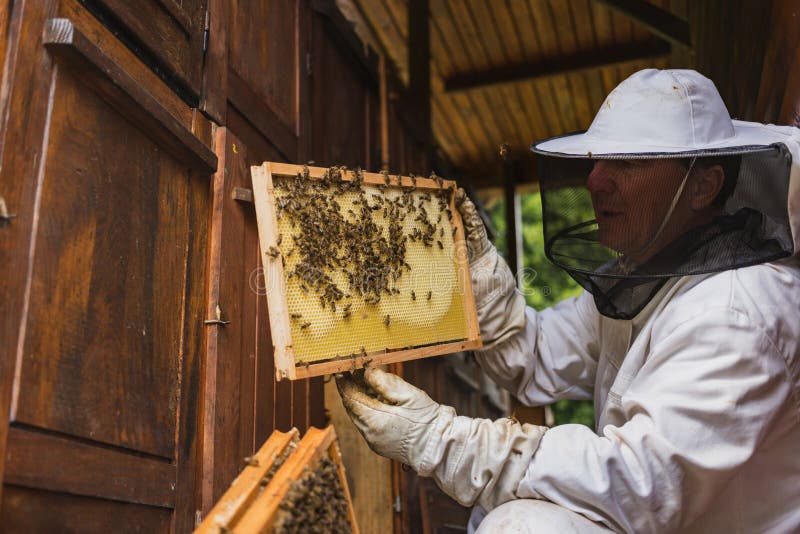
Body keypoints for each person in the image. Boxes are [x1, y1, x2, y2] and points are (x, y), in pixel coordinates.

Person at [336, 69, 800, 533]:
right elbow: (533, 358)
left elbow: (637, 483)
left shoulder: (735, 313)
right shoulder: (646, 277)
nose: (595, 180)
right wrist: (475, 265)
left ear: (702, 186)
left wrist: (439, 441)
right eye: (598, 161)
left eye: (628, 164)